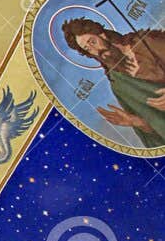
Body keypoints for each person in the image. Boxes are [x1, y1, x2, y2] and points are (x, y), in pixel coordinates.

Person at [62, 16, 165, 148]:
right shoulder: (119, 84)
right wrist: (139, 122)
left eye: (92, 41)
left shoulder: (146, 42)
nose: (95, 50)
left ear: (102, 35)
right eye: (88, 49)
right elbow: (158, 135)